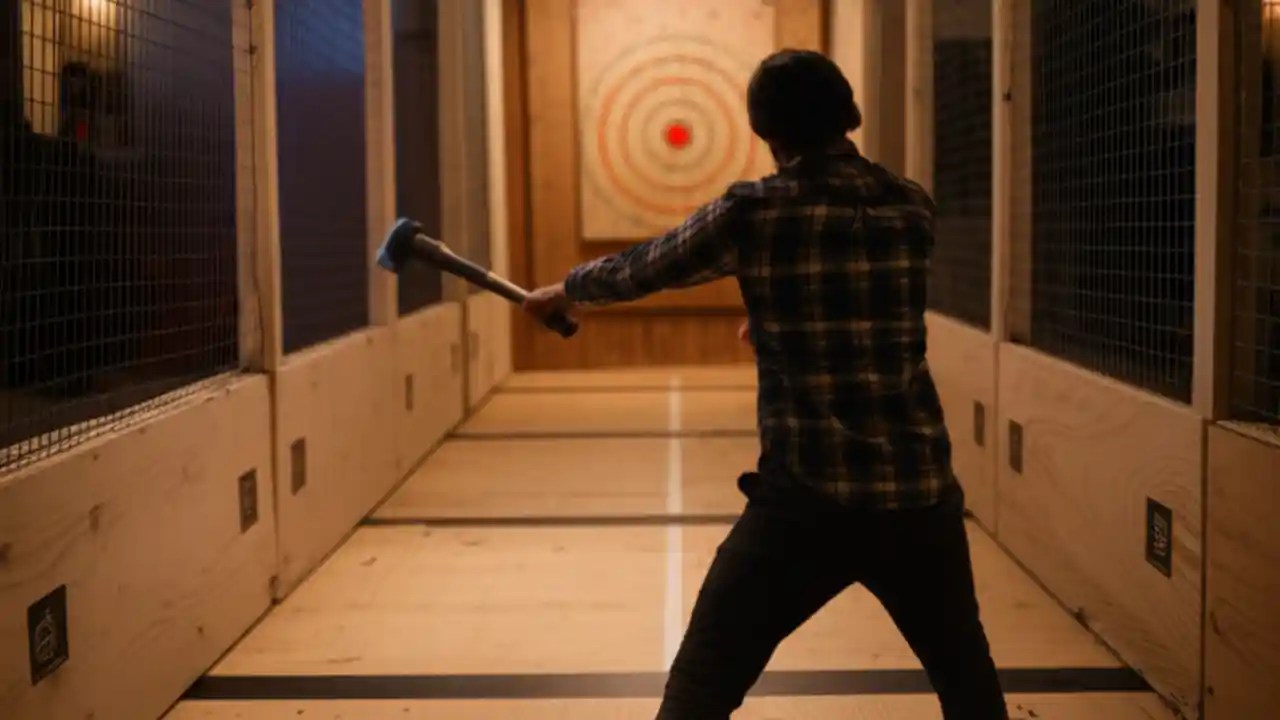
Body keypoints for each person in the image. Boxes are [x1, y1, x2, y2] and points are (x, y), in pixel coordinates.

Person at [522, 49, 1009, 720]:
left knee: (702, 683)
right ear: (850, 115)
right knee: (968, 682)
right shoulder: (911, 206)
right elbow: (859, 303)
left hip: (809, 501)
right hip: (918, 493)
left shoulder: (755, 211)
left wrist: (565, 292)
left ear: (765, 131)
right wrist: (778, 321)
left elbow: (647, 266)